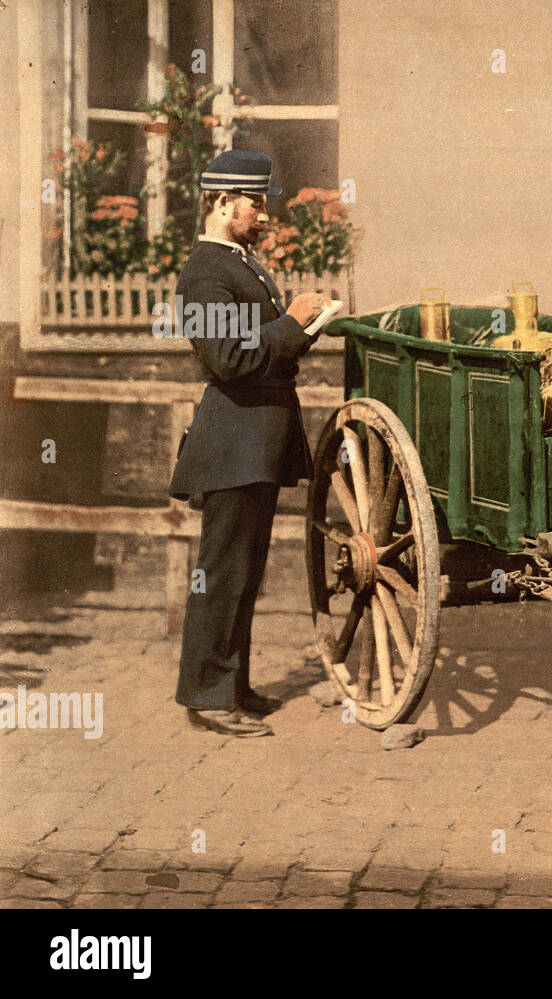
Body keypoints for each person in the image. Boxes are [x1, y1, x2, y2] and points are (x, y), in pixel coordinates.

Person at [168, 149, 331, 737]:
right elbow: (229, 357)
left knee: (243, 572)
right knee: (223, 572)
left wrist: (306, 325)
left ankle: (231, 685)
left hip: (255, 442)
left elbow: (265, 351)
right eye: (255, 204)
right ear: (220, 202)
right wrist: (290, 323)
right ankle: (209, 697)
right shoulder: (206, 271)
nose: (265, 216)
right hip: (233, 443)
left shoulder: (241, 263)